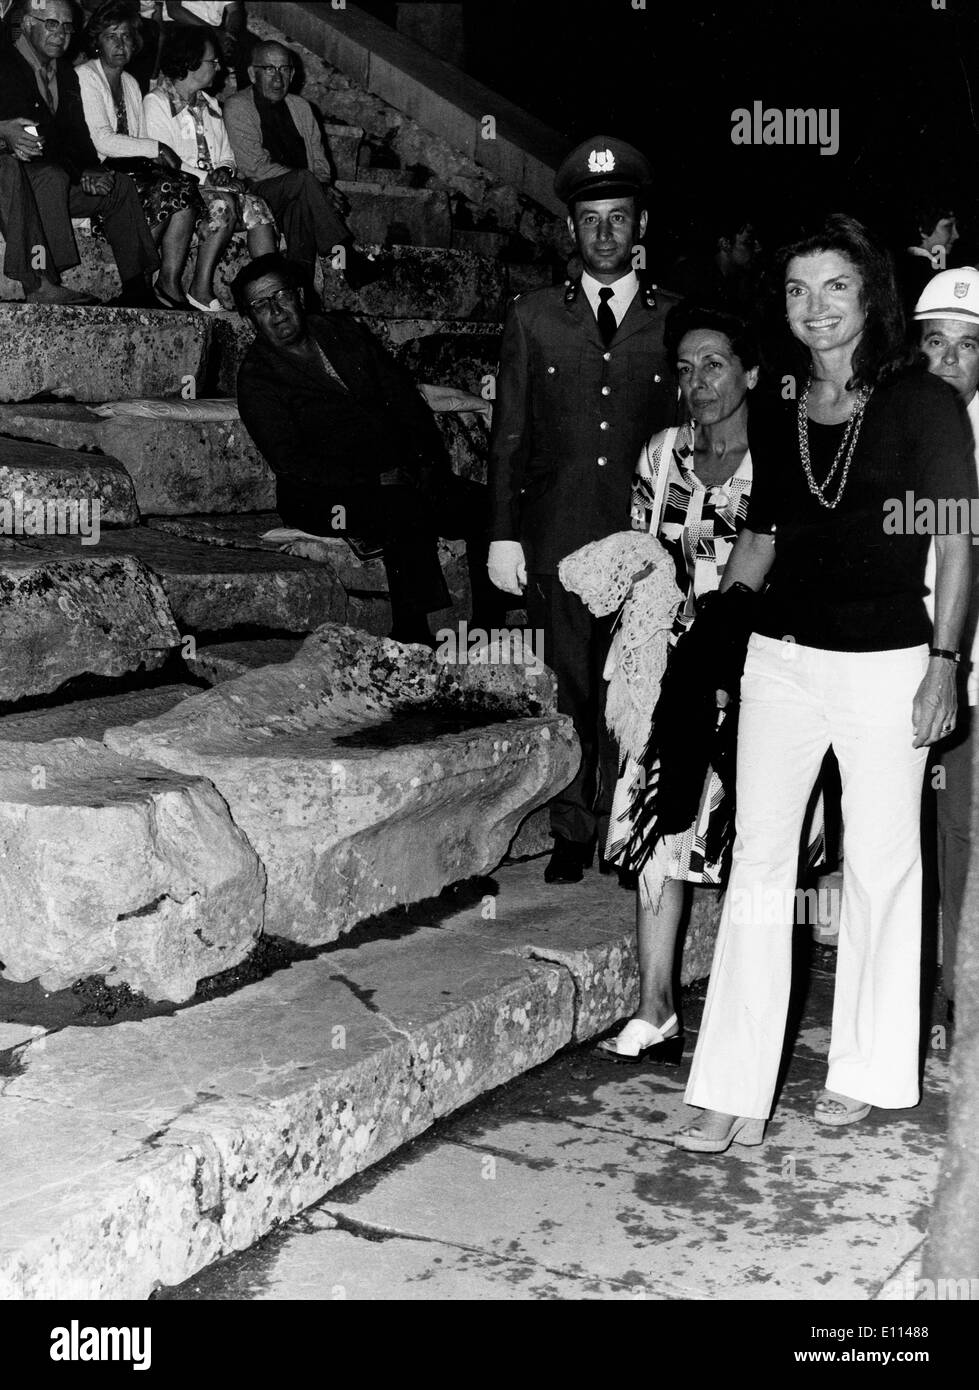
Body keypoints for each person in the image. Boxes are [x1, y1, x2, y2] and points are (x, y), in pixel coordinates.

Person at [673, 214, 974, 1154]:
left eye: (833, 287)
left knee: (883, 866)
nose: (815, 310)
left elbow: (956, 538)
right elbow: (764, 530)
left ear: (868, 294)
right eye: (798, 291)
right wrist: (718, 622)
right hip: (781, 659)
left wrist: (943, 663)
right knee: (760, 863)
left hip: (887, 659)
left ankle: (870, 1069)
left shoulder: (922, 401)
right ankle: (728, 1087)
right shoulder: (779, 403)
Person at [487, 134, 677, 884]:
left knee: (638, 679)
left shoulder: (674, 320)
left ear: (641, 228)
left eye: (618, 217)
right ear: (570, 229)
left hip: (640, 533)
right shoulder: (534, 317)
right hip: (558, 527)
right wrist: (502, 535)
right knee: (566, 678)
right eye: (589, 219)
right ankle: (572, 823)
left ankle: (632, 824)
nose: (604, 232)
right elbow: (508, 435)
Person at [597, 307, 759, 1062]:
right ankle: (653, 1008)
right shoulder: (661, 455)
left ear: (750, 372)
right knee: (656, 835)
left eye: (715, 365)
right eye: (685, 369)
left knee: (745, 846)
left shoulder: (781, 462)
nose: (697, 383)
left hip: (756, 671)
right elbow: (638, 551)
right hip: (666, 670)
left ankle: (745, 1020)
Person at [232, 253, 508, 647]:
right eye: (260, 305)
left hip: (396, 468)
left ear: (299, 296)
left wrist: (427, 463)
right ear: (249, 319)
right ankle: (411, 632)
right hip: (322, 494)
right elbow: (290, 460)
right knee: (401, 508)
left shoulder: (342, 332)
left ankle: (490, 625)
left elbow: (405, 400)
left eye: (280, 296)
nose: (275, 311)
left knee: (486, 506)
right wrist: (372, 479)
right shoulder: (257, 378)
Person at [0, 0, 162, 308]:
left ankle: (137, 285)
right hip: (19, 174)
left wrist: (91, 170)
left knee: (119, 186)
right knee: (51, 176)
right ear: (29, 23)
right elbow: (31, 138)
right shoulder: (4, 63)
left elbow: (76, 135)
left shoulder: (64, 72)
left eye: (67, 26)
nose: (61, 34)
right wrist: (78, 171)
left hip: (55, 171)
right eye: (51, 24)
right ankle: (41, 279)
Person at [914, 265, 979, 1024]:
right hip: (888, 660)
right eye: (937, 343)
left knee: (961, 834)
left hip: (964, 672)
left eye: (968, 346)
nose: (951, 361)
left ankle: (957, 1000)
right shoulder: (895, 423)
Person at [222, 41, 379, 292]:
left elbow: (319, 160)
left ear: (293, 74)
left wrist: (321, 185)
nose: (278, 78)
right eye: (269, 69)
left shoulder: (302, 108)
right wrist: (312, 184)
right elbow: (254, 167)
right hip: (258, 193)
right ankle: (346, 255)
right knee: (304, 183)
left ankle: (302, 293)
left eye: (285, 69)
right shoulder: (238, 106)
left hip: (301, 194)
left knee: (301, 207)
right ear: (253, 73)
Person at [78, 0, 203, 310]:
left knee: (183, 186)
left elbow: (134, 143)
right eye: (112, 35)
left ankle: (169, 283)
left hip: (130, 175)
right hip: (97, 180)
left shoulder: (131, 83)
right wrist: (156, 149)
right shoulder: (85, 76)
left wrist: (156, 155)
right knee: (165, 188)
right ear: (97, 41)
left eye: (127, 36)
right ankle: (140, 283)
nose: (121, 43)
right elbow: (102, 141)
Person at [142, 24, 276, 311]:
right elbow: (167, 161)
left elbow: (226, 154)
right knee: (221, 205)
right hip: (179, 191)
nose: (219, 67)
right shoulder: (156, 102)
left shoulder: (212, 105)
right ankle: (200, 287)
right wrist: (211, 179)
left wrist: (225, 171)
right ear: (189, 63)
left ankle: (271, 289)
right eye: (211, 61)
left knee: (257, 207)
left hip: (213, 185)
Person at [898, 200, 960, 317]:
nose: (956, 235)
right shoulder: (916, 271)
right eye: (948, 227)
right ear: (923, 230)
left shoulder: (932, 263)